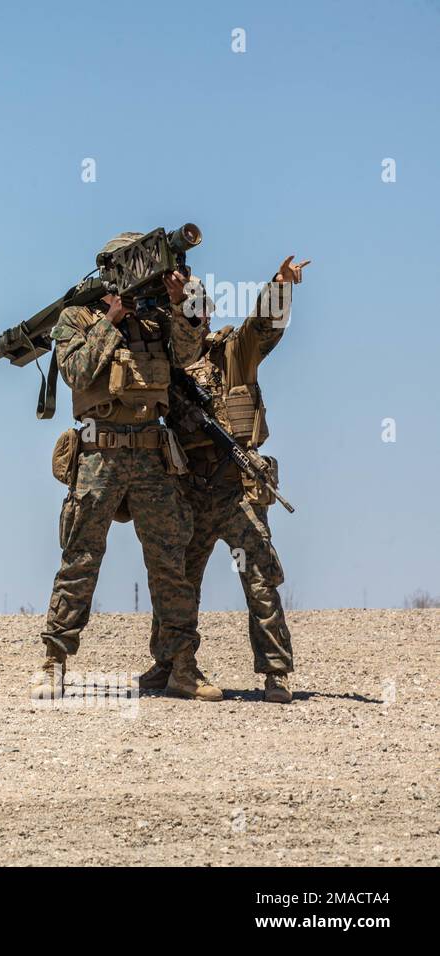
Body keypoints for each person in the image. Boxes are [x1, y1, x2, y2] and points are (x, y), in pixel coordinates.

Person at [36, 231, 221, 702]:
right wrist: (112, 320)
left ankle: (181, 665)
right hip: (99, 455)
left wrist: (184, 305)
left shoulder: (157, 318)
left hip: (151, 455)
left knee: (170, 563)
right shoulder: (76, 316)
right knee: (81, 558)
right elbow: (76, 372)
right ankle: (54, 660)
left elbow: (189, 355)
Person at [141, 256, 310, 704]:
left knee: (259, 579)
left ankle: (275, 672)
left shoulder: (233, 352)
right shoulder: (167, 368)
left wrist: (280, 286)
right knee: (179, 582)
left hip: (237, 487)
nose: (197, 316)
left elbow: (264, 327)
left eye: (201, 308)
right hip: (190, 490)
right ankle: (169, 663)